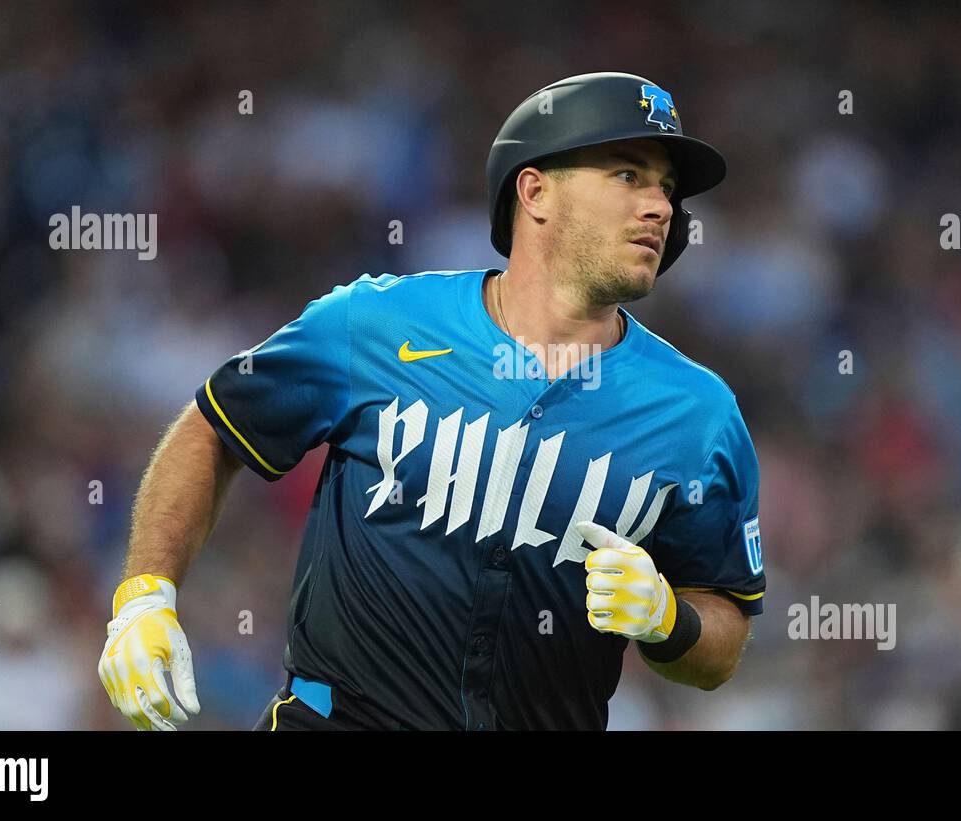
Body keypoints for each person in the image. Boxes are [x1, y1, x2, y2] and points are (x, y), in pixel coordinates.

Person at [97, 72, 766, 731]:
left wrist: (667, 617)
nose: (660, 207)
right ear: (534, 191)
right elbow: (214, 428)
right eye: (629, 176)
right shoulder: (375, 323)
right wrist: (145, 597)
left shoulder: (698, 416)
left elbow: (722, 636)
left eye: (668, 190)